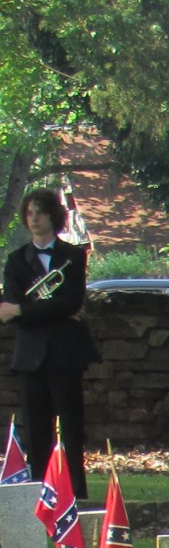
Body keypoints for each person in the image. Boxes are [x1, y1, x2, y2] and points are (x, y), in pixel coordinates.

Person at [1, 188, 99, 500]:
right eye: (29, 213)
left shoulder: (73, 255)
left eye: (40, 212)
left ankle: (75, 494)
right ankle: (41, 496)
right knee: (35, 430)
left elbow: (71, 302)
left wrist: (25, 311)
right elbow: (9, 311)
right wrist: (40, 311)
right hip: (30, 358)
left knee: (71, 428)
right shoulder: (16, 261)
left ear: (53, 217)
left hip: (66, 354)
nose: (34, 219)